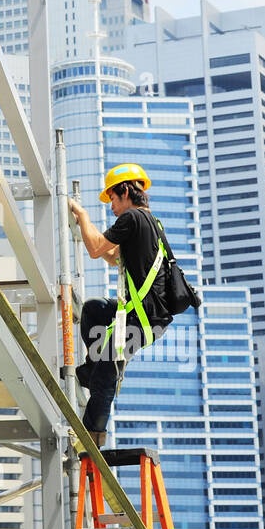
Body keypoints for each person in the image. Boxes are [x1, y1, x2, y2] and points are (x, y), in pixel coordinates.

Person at [68, 163, 172, 448]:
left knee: (107, 367)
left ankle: (93, 434)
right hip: (147, 315)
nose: (112, 206)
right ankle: (93, 371)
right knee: (93, 310)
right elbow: (113, 256)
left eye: (112, 199)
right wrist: (99, 242)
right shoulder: (149, 223)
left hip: (143, 317)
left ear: (125, 191)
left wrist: (83, 215)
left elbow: (94, 249)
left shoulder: (132, 219)